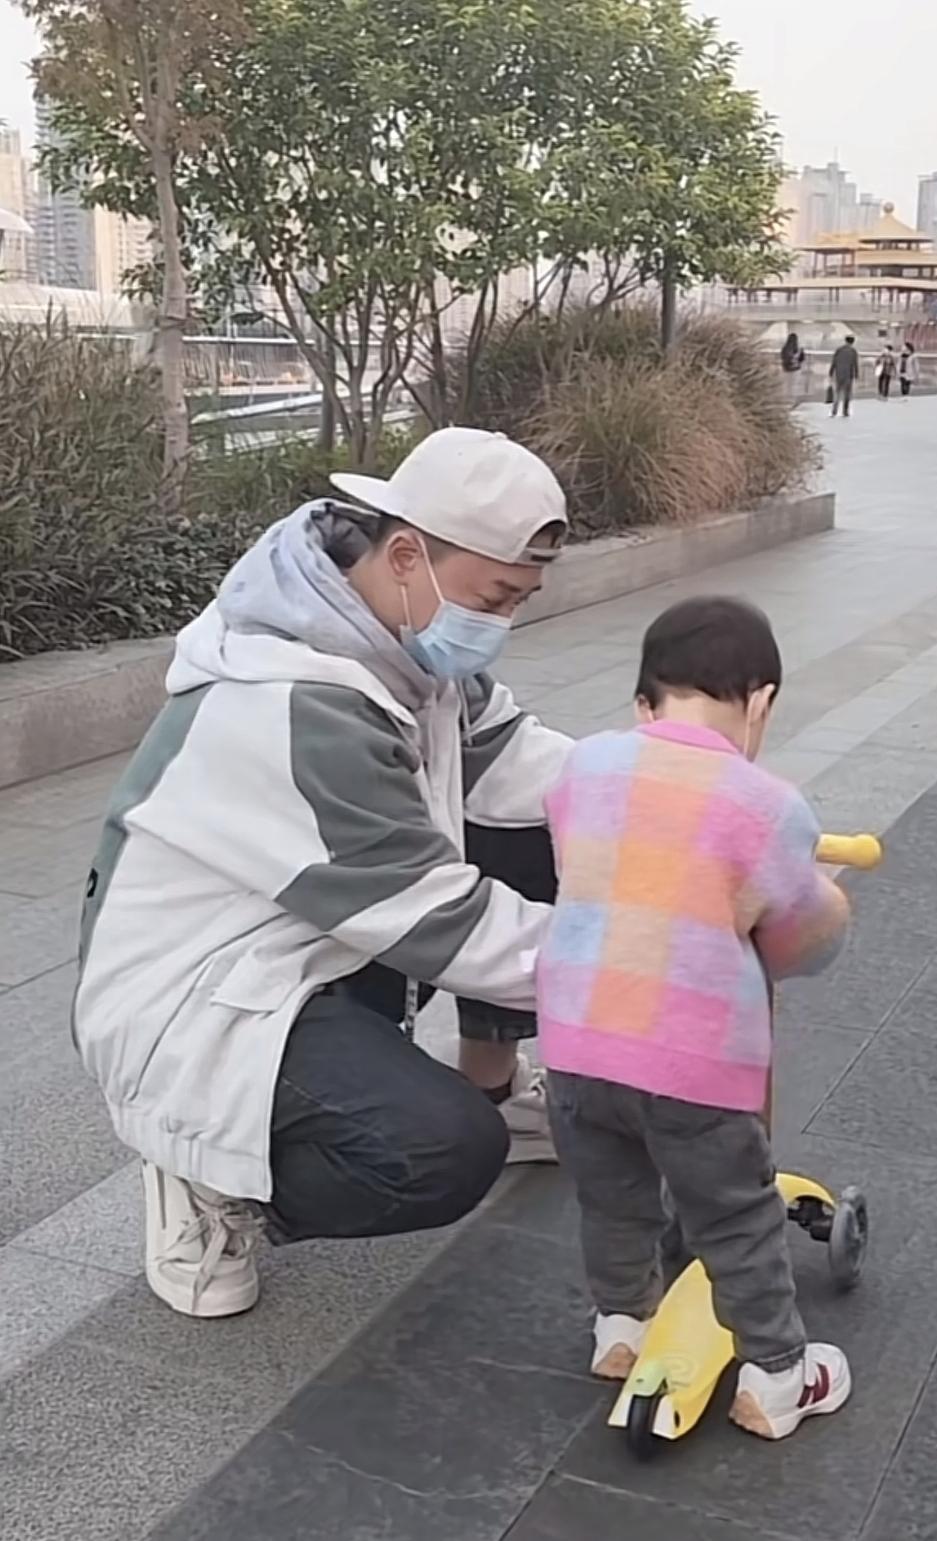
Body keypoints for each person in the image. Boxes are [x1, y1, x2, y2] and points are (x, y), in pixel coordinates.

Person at [74, 426, 575, 1319]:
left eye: (518, 601)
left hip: (319, 930)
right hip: (197, 991)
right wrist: (644, 966)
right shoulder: (295, 698)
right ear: (408, 555)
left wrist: (681, 801)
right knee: (443, 1151)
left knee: (545, 817)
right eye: (495, 597)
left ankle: (493, 1078)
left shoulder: (398, 635)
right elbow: (438, 920)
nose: (501, 624)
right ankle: (209, 1177)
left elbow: (520, 766)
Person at [538, 596, 853, 1442]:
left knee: (612, 1197)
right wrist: (828, 907)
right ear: (762, 701)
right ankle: (779, 1374)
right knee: (735, 1213)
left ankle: (621, 1325)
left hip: (575, 1045)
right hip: (692, 1061)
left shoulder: (583, 767)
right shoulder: (768, 804)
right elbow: (795, 940)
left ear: (644, 701)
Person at [828, 334, 859, 417]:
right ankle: (845, 411)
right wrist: (856, 375)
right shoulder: (853, 351)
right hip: (848, 375)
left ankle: (834, 411)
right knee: (847, 394)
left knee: (837, 392)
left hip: (838, 374)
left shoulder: (839, 350)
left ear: (845, 341)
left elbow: (834, 361)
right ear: (853, 342)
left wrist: (831, 372)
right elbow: (855, 364)